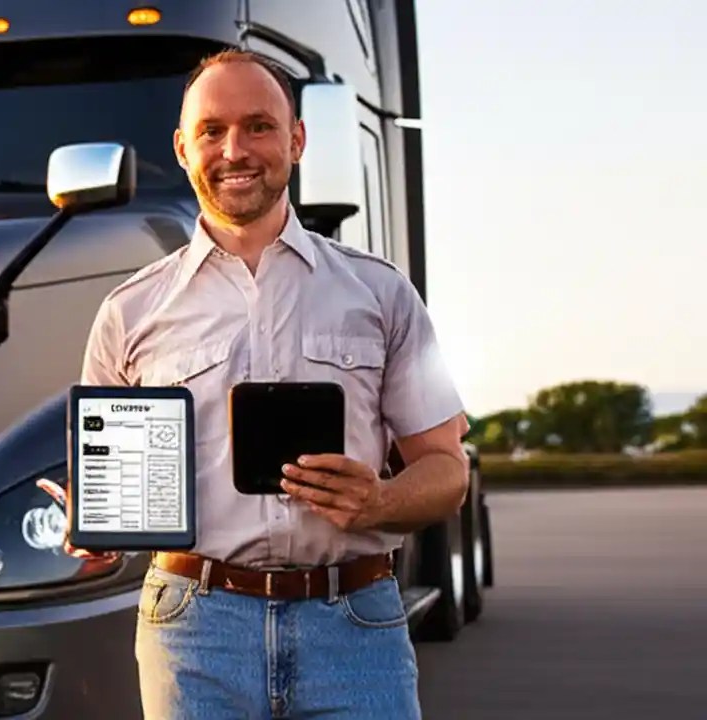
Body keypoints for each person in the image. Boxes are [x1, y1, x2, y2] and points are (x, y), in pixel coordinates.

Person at [64, 49, 471, 719]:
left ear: (297, 139)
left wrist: (380, 500)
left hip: (355, 625)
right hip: (194, 630)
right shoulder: (127, 313)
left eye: (258, 125)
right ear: (183, 148)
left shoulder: (384, 294)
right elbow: (113, 488)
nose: (235, 150)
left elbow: (447, 472)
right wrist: (100, 519)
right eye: (212, 131)